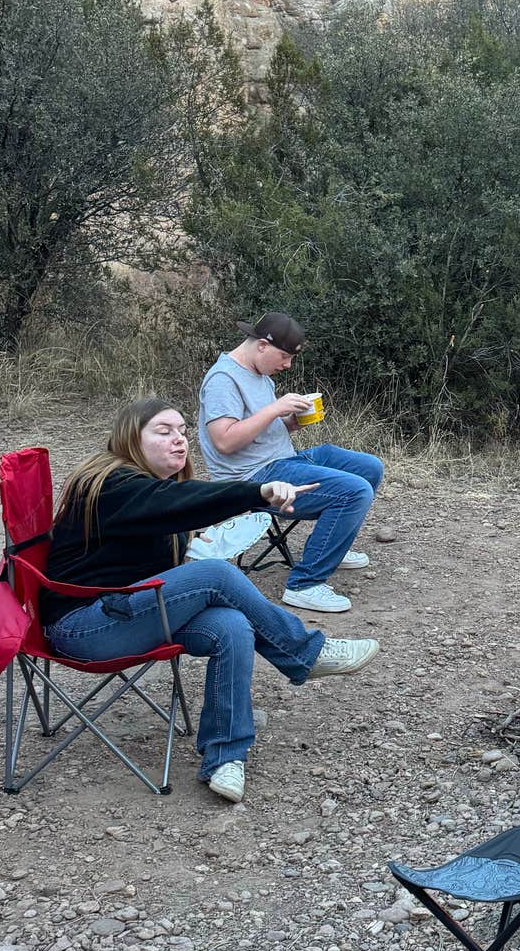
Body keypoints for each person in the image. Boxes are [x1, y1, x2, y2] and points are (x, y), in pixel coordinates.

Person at [43, 398, 380, 804]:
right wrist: (258, 492)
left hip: (127, 612)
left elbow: (167, 515)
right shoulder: (112, 483)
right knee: (216, 574)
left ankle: (225, 756)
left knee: (230, 625)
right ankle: (304, 652)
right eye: (164, 431)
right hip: (83, 628)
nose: (179, 440)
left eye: (182, 432)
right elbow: (184, 502)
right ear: (131, 438)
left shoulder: (150, 491)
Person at [197, 311, 385, 615]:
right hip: (254, 477)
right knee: (355, 491)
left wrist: (290, 423)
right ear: (262, 345)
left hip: (284, 459)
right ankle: (304, 585)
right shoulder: (223, 380)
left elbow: (258, 429)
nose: (287, 365)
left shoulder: (259, 373)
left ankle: (330, 547)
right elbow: (225, 441)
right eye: (284, 356)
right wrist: (275, 409)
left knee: (369, 467)